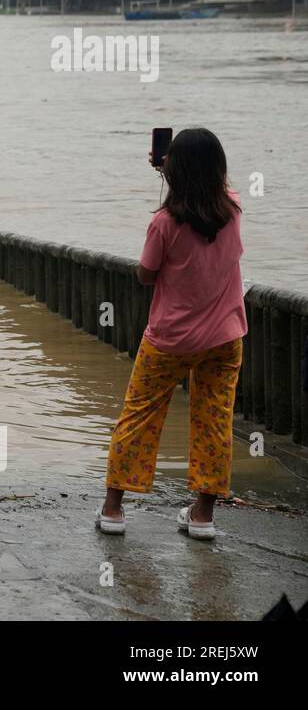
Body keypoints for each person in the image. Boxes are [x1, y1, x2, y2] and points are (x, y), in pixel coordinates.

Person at [98, 128, 247, 541]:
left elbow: (146, 274)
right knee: (214, 421)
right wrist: (171, 170)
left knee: (139, 416)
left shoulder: (164, 223)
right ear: (220, 169)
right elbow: (211, 190)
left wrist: (167, 173)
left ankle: (114, 509)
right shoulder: (233, 210)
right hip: (224, 337)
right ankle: (202, 516)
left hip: (170, 340)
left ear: (174, 170)